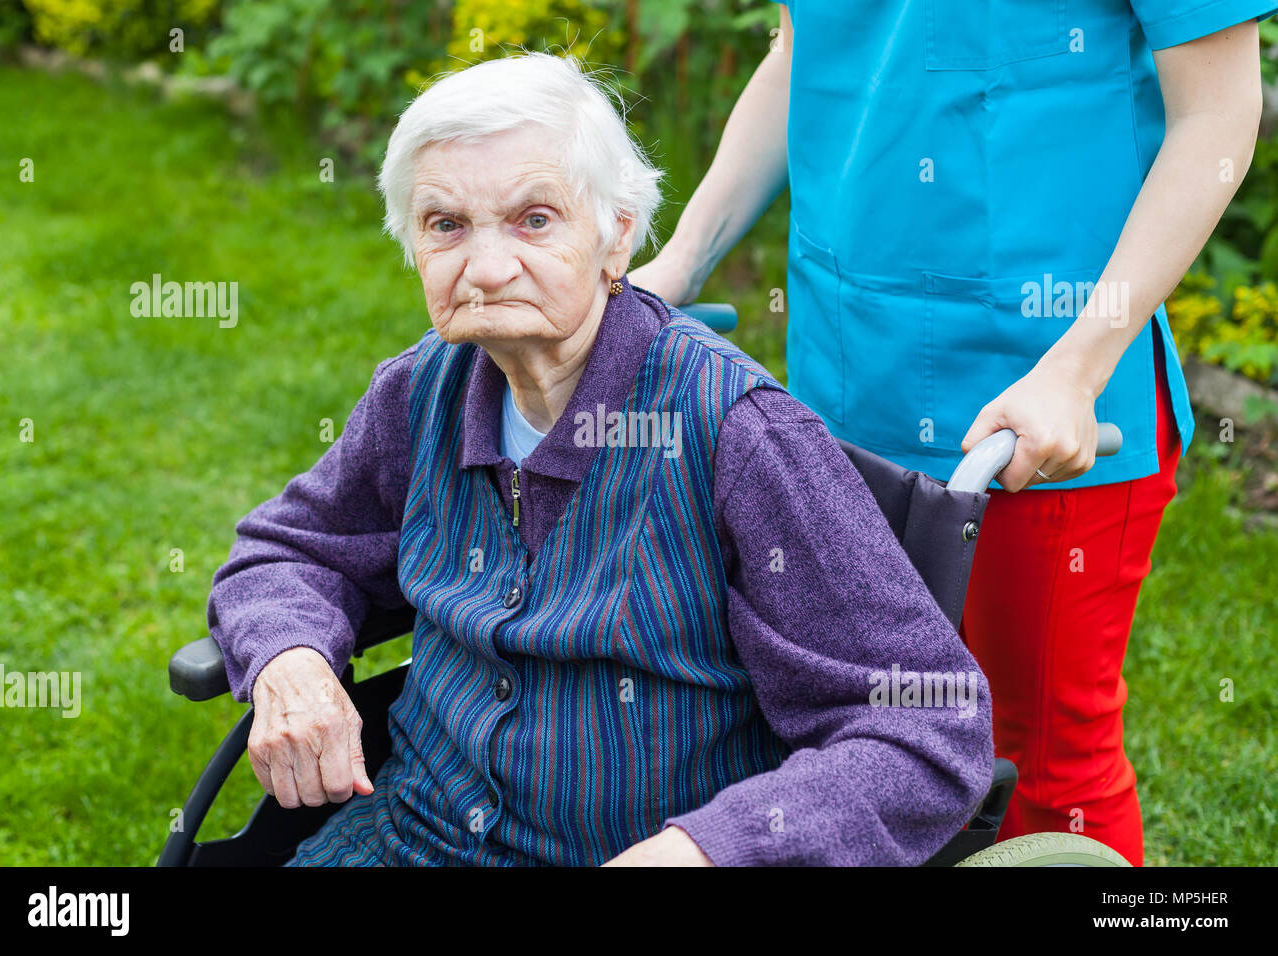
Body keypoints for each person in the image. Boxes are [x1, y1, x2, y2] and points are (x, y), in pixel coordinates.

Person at [206, 52, 994, 866]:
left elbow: (927, 728)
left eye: (534, 219)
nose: (485, 268)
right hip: (409, 840)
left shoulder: (741, 435)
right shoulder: (424, 391)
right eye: (446, 225)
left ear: (617, 233)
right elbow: (291, 546)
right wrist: (290, 659)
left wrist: (708, 849)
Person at [630, 1, 1272, 866]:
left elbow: (1219, 111)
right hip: (841, 378)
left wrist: (1076, 370)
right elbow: (802, 51)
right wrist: (679, 263)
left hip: (1041, 402)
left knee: (1043, 763)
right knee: (856, 734)